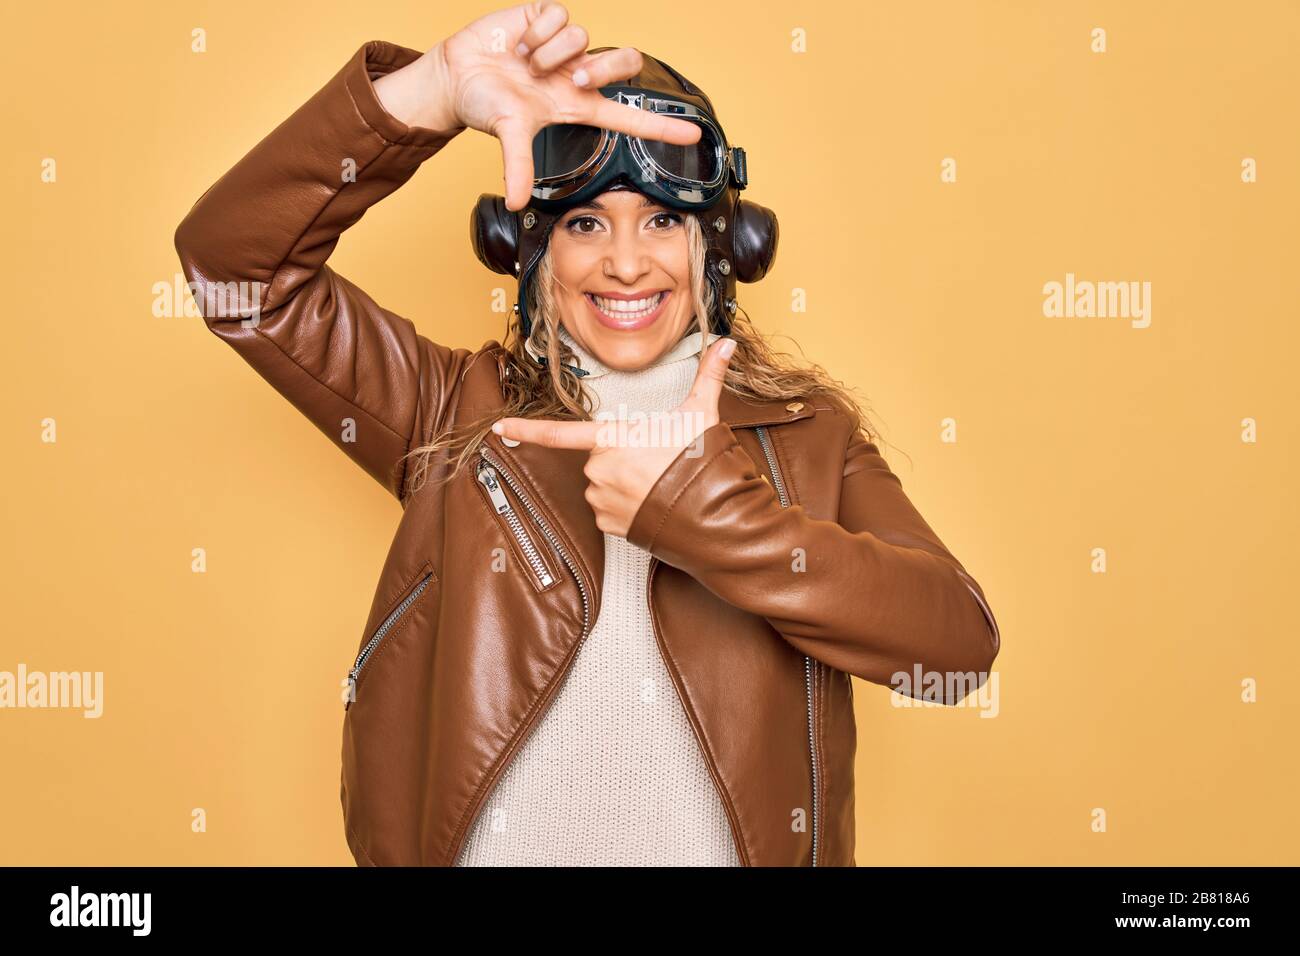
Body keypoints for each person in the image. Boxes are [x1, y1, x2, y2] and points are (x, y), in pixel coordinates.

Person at [173, 1, 1001, 867]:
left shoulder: (809, 436)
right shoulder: (450, 411)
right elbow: (236, 269)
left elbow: (957, 646)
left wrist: (708, 517)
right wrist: (431, 93)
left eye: (661, 221)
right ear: (528, 252)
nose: (627, 262)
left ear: (721, 246)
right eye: (584, 223)